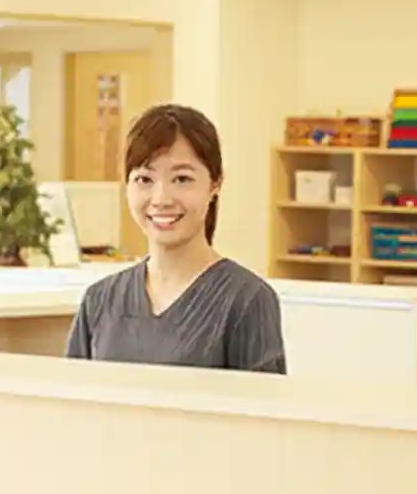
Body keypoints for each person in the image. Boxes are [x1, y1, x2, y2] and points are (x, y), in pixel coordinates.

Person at [64, 103, 287, 374]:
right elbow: (74, 408)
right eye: (144, 179)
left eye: (182, 179)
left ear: (215, 184)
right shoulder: (99, 301)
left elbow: (261, 412)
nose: (161, 199)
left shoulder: (247, 300)